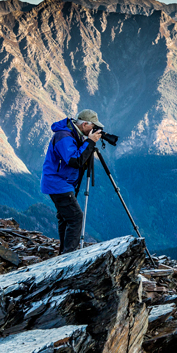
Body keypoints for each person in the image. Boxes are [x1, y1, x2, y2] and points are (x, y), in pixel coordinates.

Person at [41, 109, 104, 254]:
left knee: (66, 218)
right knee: (76, 217)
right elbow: (74, 160)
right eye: (93, 125)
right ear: (84, 124)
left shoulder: (74, 133)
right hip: (57, 183)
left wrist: (87, 142)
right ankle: (68, 255)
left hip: (61, 182)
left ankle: (63, 254)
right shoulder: (64, 136)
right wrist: (90, 142)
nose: (94, 129)